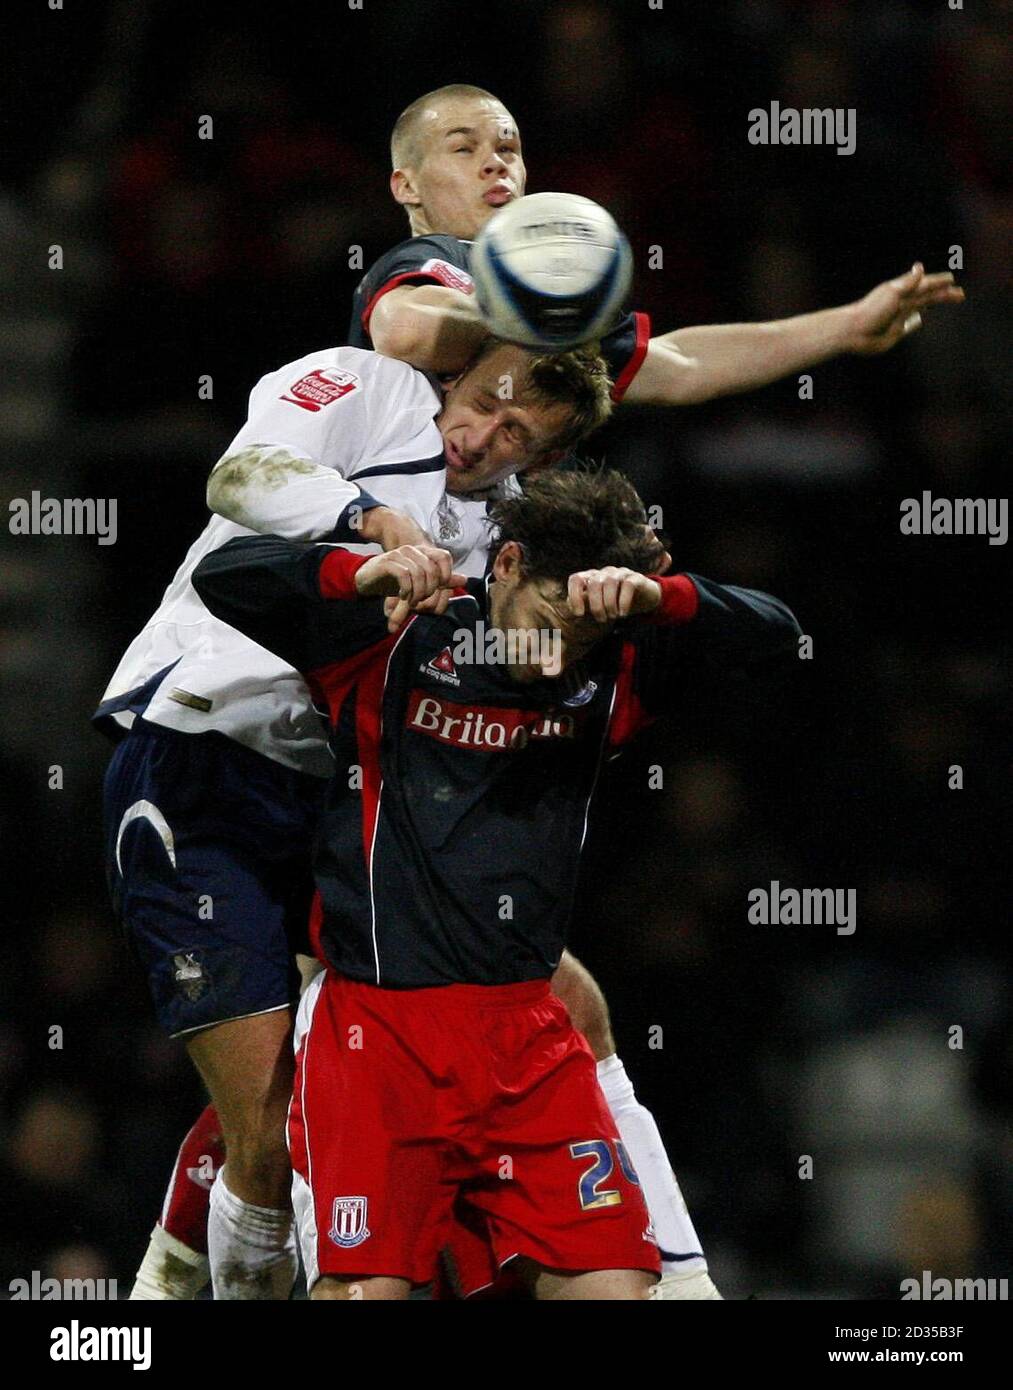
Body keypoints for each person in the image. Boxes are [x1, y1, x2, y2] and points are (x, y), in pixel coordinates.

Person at [190, 467, 801, 1299]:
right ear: (505, 564)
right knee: (363, 1292)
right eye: (549, 618)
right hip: (379, 1035)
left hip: (528, 1041)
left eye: (578, 635)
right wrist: (359, 568)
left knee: (616, 1291)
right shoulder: (397, 631)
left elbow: (778, 633)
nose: (556, 652)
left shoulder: (615, 664)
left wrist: (664, 598)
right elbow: (222, 577)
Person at [101, 339, 615, 1300]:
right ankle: (168, 1287)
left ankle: (676, 1278)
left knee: (564, 1008)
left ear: (542, 459)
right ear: (459, 375)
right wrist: (370, 522)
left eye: (516, 436)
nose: (481, 437)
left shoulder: (507, 535)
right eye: (484, 405)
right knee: (263, 1123)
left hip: (346, 797)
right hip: (206, 754)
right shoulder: (367, 386)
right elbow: (240, 478)